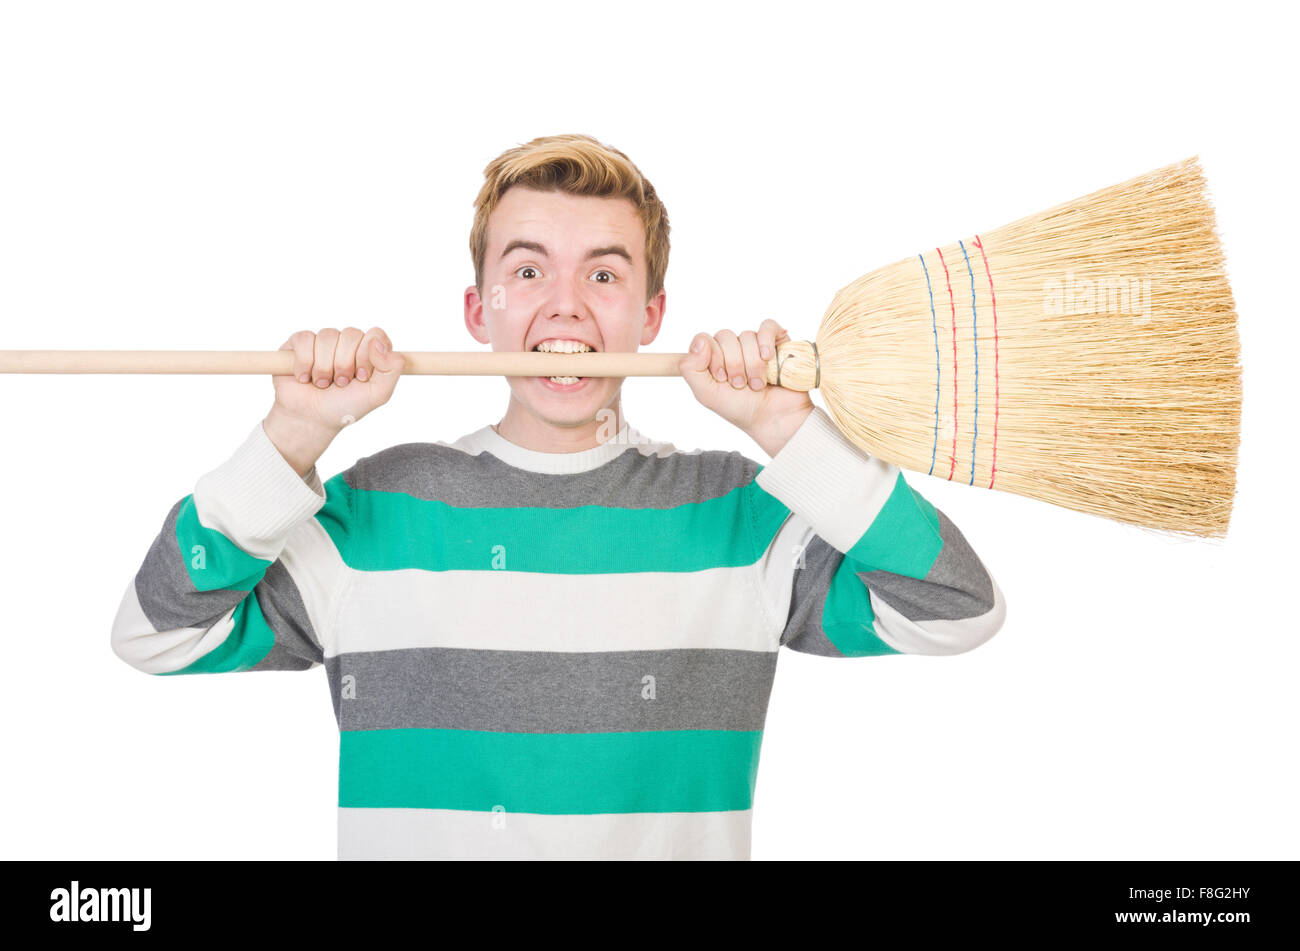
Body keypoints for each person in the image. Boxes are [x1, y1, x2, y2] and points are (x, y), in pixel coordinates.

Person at [110, 133, 1006, 859]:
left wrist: (789, 435)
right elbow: (158, 635)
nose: (568, 307)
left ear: (652, 315)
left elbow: (958, 606)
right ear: (478, 310)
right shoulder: (373, 512)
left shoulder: (741, 515)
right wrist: (292, 436)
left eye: (605, 274)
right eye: (530, 271)